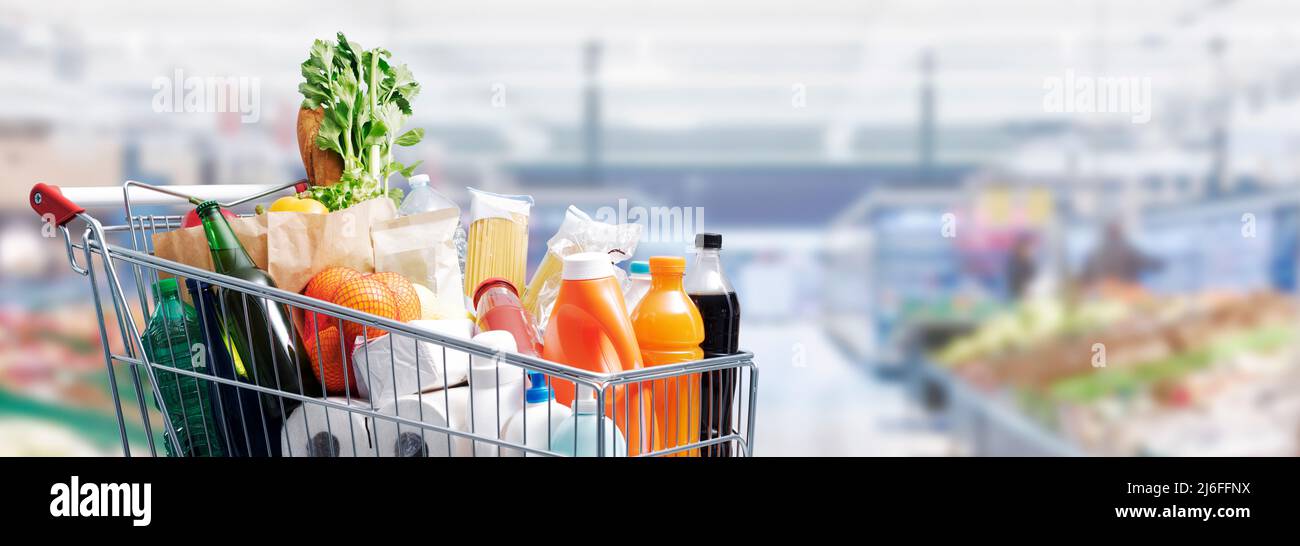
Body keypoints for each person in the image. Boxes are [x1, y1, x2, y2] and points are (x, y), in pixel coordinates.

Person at [1080, 220, 1161, 286]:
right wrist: (1158, 263)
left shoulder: (1094, 253)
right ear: (1118, 233)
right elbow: (1146, 262)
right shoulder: (1126, 250)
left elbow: (1085, 277)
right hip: (1126, 292)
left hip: (1102, 294)